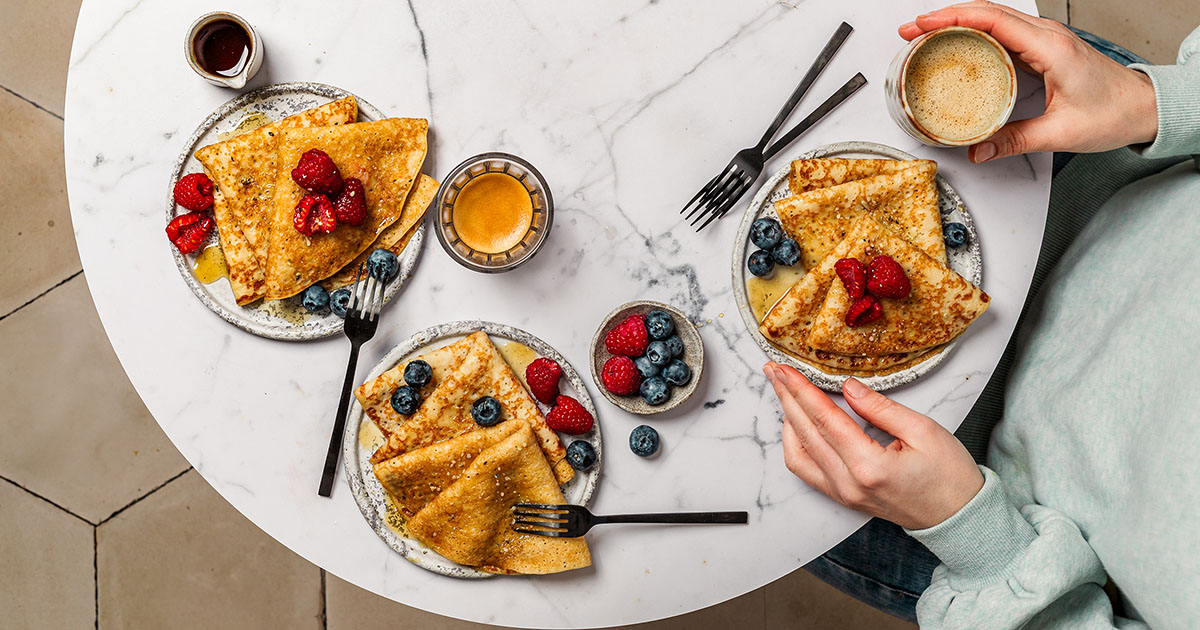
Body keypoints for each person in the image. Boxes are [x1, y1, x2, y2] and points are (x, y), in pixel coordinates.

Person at [767, 2, 1200, 627]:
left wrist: (977, 539)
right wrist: (1156, 102)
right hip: (1120, 145)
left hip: (996, 530)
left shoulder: (982, 532)